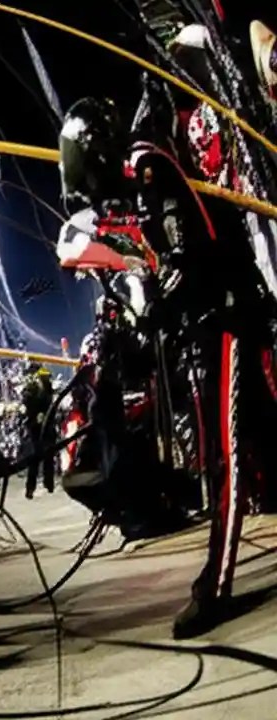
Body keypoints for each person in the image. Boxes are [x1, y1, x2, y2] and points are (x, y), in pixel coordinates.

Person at [58, 97, 277, 638]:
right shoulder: (138, 183)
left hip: (227, 315)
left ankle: (216, 586)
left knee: (226, 453)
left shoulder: (149, 166)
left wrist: (162, 297)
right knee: (261, 436)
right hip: (214, 318)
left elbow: (188, 248)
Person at [21, 364, 57, 499]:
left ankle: (47, 484)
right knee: (36, 457)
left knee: (46, 456)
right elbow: (27, 401)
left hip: (45, 426)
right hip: (37, 427)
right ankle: (33, 487)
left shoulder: (45, 390)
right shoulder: (32, 389)